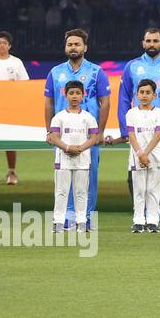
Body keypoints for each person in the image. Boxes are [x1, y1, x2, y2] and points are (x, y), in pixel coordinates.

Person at [116, 27, 160, 231]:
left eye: (156, 41)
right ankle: (140, 216)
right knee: (138, 172)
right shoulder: (132, 66)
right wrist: (124, 129)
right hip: (137, 130)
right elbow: (123, 98)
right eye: (148, 41)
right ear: (143, 43)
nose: (152, 45)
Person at [44, 29, 110, 231]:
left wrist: (98, 132)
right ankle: (66, 219)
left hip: (87, 135)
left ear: (85, 47)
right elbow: (49, 103)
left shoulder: (97, 71)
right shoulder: (55, 72)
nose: (73, 47)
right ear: (65, 47)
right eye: (70, 44)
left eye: (77, 44)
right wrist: (49, 132)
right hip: (63, 135)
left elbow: (105, 102)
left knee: (88, 179)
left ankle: (85, 219)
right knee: (64, 180)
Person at [46, 80, 98, 233]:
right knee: (61, 191)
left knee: (81, 191)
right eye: (71, 93)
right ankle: (58, 222)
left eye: (77, 93)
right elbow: (54, 137)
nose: (74, 96)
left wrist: (80, 148)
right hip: (63, 160)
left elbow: (94, 137)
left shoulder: (89, 117)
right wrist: (67, 148)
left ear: (83, 95)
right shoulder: (59, 117)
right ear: (65, 95)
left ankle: (81, 222)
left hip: (82, 160)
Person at [125, 80, 160, 234]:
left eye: (148, 92)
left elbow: (158, 134)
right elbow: (131, 135)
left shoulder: (159, 113)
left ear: (154, 95)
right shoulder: (131, 113)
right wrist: (140, 154)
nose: (144, 95)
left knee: (153, 189)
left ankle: (152, 221)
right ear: (136, 95)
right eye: (141, 92)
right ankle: (138, 221)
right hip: (137, 156)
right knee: (139, 189)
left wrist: (146, 153)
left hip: (155, 155)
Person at [0, 30, 29, 185]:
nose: (1, 45)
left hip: (10, 109)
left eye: (4, 43)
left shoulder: (16, 63)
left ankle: (11, 172)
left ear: (9, 46)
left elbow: (25, 84)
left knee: (10, 141)